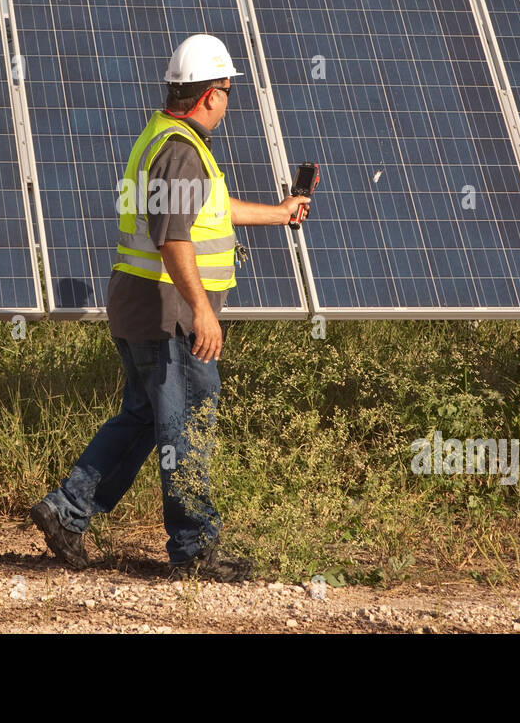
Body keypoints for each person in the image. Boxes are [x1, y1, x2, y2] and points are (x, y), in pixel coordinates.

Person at [30, 33, 310, 582]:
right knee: (187, 424)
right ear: (210, 95)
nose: (230, 101)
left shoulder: (163, 137)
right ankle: (194, 550)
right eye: (228, 90)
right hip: (168, 314)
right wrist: (202, 310)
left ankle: (67, 510)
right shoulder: (182, 149)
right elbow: (172, 236)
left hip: (140, 304)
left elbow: (205, 208)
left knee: (144, 416)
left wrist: (279, 214)